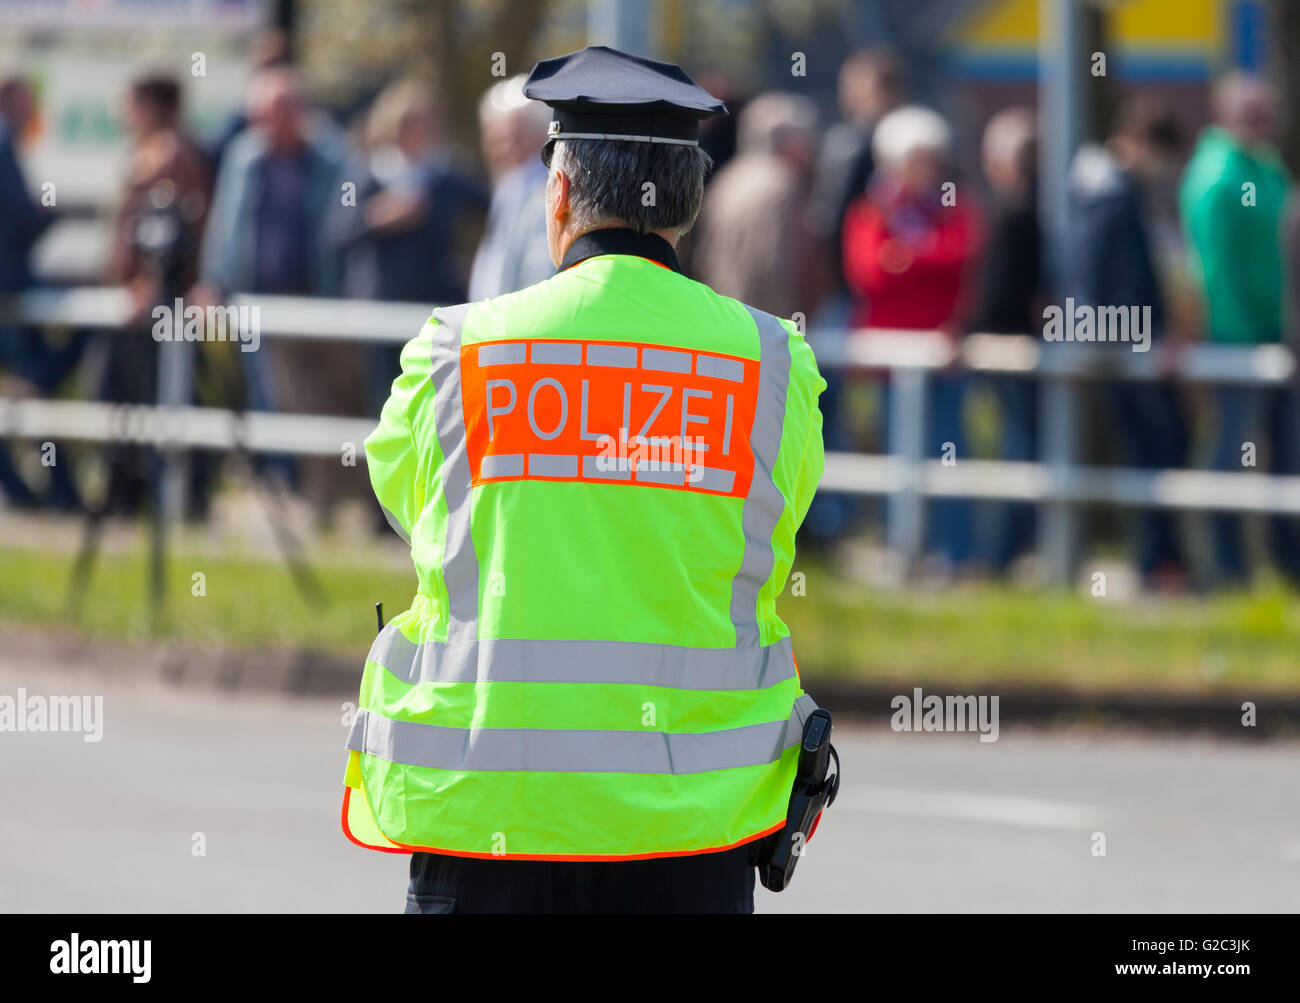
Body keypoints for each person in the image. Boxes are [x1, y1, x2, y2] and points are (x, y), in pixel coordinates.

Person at [341, 46, 827, 915]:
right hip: (691, 833)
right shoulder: (773, 361)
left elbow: (410, 504)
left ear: (556, 193)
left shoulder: (457, 349)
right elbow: (776, 520)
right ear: (686, 204)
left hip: (489, 817)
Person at [199, 67, 353, 513]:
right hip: (255, 299)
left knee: (313, 399)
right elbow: (225, 226)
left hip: (314, 300)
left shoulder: (330, 158)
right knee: (267, 395)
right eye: (261, 115)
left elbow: (345, 227)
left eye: (280, 112)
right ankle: (279, 487)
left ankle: (318, 495)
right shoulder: (245, 159)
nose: (270, 124)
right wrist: (213, 281)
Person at [842, 105, 982, 574]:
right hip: (889, 361)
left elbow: (962, 256)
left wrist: (907, 257)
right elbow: (869, 271)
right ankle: (902, 554)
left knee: (947, 456)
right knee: (896, 457)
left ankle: (954, 556)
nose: (928, 169)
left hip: (942, 359)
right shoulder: (871, 209)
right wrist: (920, 259)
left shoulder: (953, 208)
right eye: (918, 158)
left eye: (932, 158)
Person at [1179, 73, 1300, 586]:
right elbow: (1217, 269)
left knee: (1286, 452)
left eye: (1266, 116)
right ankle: (1225, 567)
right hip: (1238, 339)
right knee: (1233, 449)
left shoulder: (1266, 169)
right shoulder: (1219, 178)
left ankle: (1285, 560)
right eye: (1252, 116)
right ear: (1224, 118)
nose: (1263, 125)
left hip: (1276, 336)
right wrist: (1243, 338)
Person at [1067, 97, 1190, 589]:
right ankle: (1160, 562)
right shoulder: (1114, 194)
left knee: (1149, 449)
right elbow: (1116, 279)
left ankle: (1159, 559)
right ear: (1141, 143)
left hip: (1109, 340)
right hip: (1126, 346)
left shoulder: (1088, 186)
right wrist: (1149, 338)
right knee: (1160, 447)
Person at [333, 78, 487, 416]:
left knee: (434, 404)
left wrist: (477, 262)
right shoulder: (368, 175)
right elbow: (338, 235)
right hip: (380, 307)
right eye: (407, 124)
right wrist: (381, 218)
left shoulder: (446, 176)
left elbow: (492, 210)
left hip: (435, 306)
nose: (416, 133)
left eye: (423, 124)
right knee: (386, 403)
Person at [0, 75, 80, 511]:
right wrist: (49, 215)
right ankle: (46, 496)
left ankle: (34, 496)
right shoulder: (2, 142)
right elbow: (17, 223)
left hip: (12, 292)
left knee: (29, 392)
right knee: (36, 381)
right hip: (10, 294)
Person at [970, 108, 1043, 575]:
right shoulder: (1028, 207)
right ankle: (1008, 551)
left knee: (1020, 450)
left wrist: (972, 329)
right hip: (1018, 346)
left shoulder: (1017, 213)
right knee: (1022, 448)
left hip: (1014, 350)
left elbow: (1003, 291)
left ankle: (1002, 556)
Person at [692, 92, 828, 320]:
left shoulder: (728, 179)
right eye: (804, 138)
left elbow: (702, 256)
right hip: (765, 324)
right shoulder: (784, 185)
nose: (811, 148)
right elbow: (776, 265)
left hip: (724, 318)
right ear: (788, 141)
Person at [467, 74, 552, 301]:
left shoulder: (540, 192)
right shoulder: (511, 187)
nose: (494, 146)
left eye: (507, 136)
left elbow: (538, 276)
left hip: (514, 329)